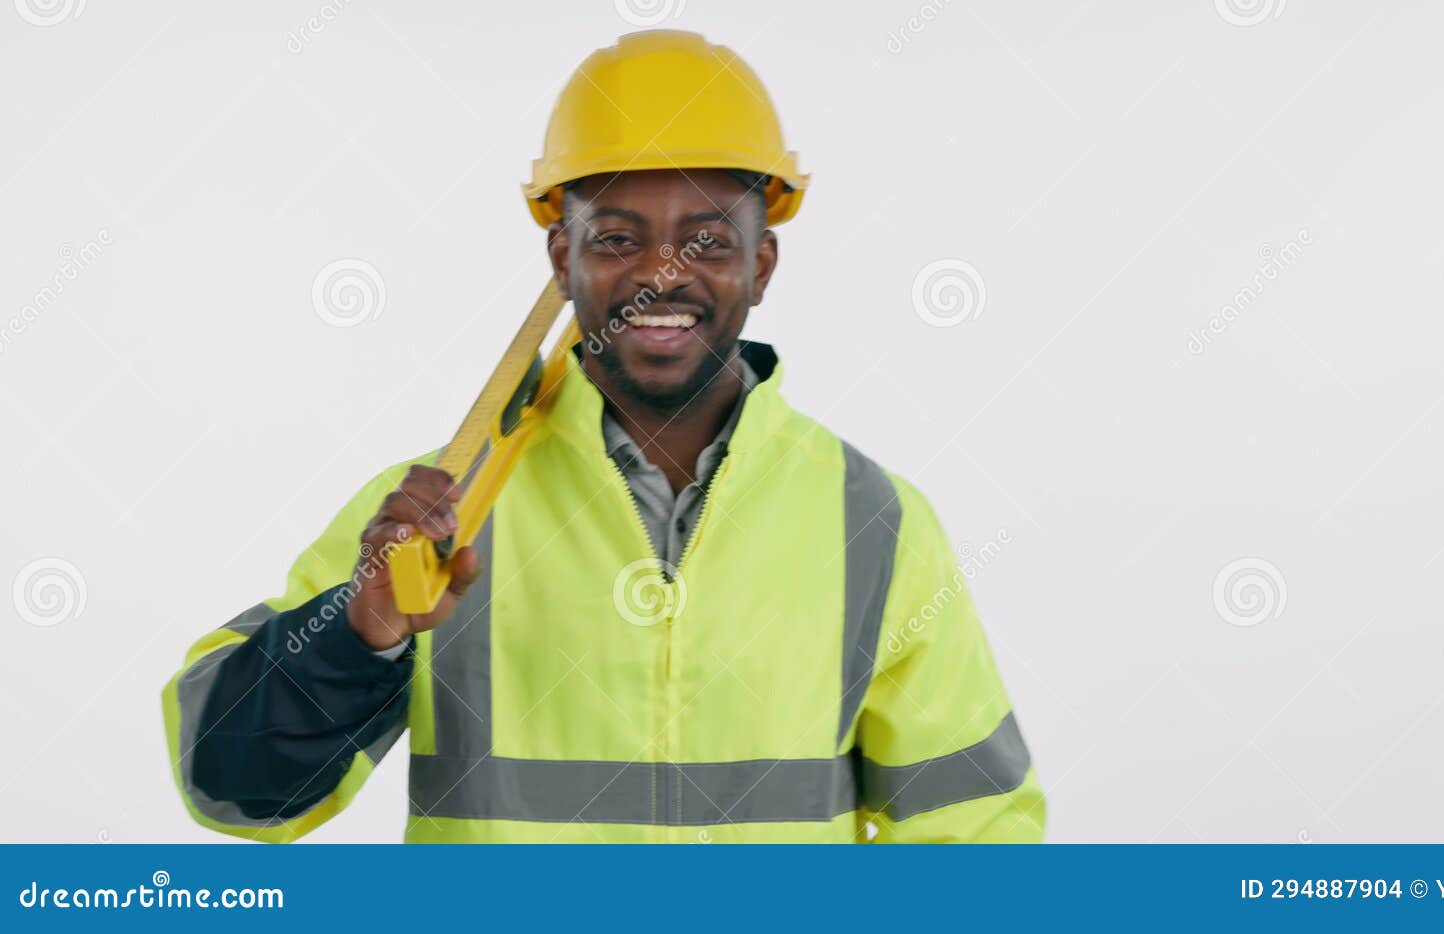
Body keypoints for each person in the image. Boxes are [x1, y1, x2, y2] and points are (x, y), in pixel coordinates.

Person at [161, 30, 1045, 843]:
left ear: (761, 266)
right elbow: (230, 789)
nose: (663, 276)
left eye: (706, 241)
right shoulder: (439, 509)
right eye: (619, 238)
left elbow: (976, 841)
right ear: (563, 261)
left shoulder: (875, 520)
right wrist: (359, 633)